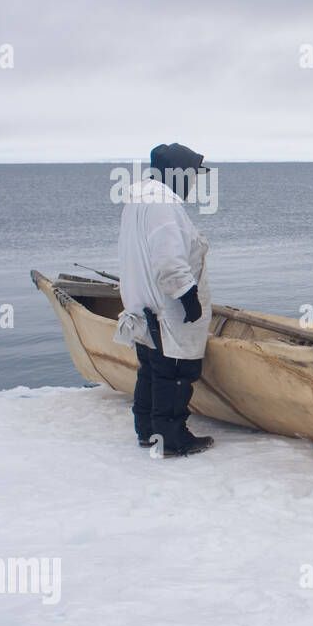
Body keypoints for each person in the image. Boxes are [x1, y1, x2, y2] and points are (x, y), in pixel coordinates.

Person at [113, 142, 215, 457]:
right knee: (174, 374)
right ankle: (171, 439)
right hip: (164, 310)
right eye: (192, 176)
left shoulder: (140, 201)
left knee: (151, 370)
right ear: (177, 174)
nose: (195, 182)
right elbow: (168, 259)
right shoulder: (162, 207)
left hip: (143, 305)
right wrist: (188, 297)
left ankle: (147, 432)